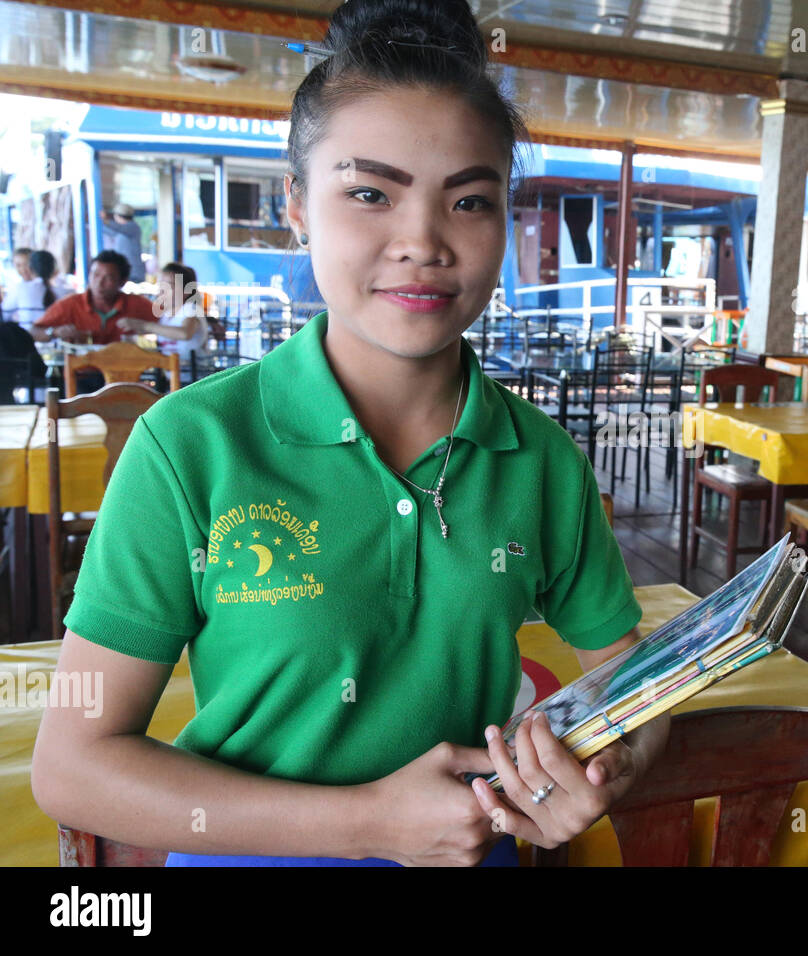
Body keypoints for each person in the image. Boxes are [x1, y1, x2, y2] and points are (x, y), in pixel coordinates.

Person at [31, 0, 668, 868]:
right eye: (370, 193)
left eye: (470, 201)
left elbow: (638, 685)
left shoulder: (540, 459)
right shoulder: (191, 447)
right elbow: (73, 769)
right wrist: (371, 823)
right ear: (295, 205)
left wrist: (612, 764)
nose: (422, 242)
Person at [31, 250, 154, 345]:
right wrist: (54, 332)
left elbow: (167, 327)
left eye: (108, 278)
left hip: (127, 374)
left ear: (122, 282)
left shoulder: (137, 305)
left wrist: (145, 328)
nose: (99, 282)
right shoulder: (70, 305)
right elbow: (33, 332)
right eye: (95, 275)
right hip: (81, 374)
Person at [115, 261, 208, 383]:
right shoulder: (165, 315)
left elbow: (185, 333)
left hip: (194, 381)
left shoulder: (191, 309)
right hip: (172, 379)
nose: (162, 291)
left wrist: (145, 326)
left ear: (186, 291)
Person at [2, 250, 70, 330]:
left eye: (25, 264)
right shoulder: (68, 292)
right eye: (18, 265)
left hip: (28, 339)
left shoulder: (20, 289)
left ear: (31, 268)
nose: (23, 269)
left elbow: (4, 315)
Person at [100, 203, 146, 282]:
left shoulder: (132, 227)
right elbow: (109, 230)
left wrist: (105, 220)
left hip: (133, 273)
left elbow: (118, 228)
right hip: (125, 271)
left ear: (117, 216)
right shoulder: (123, 232)